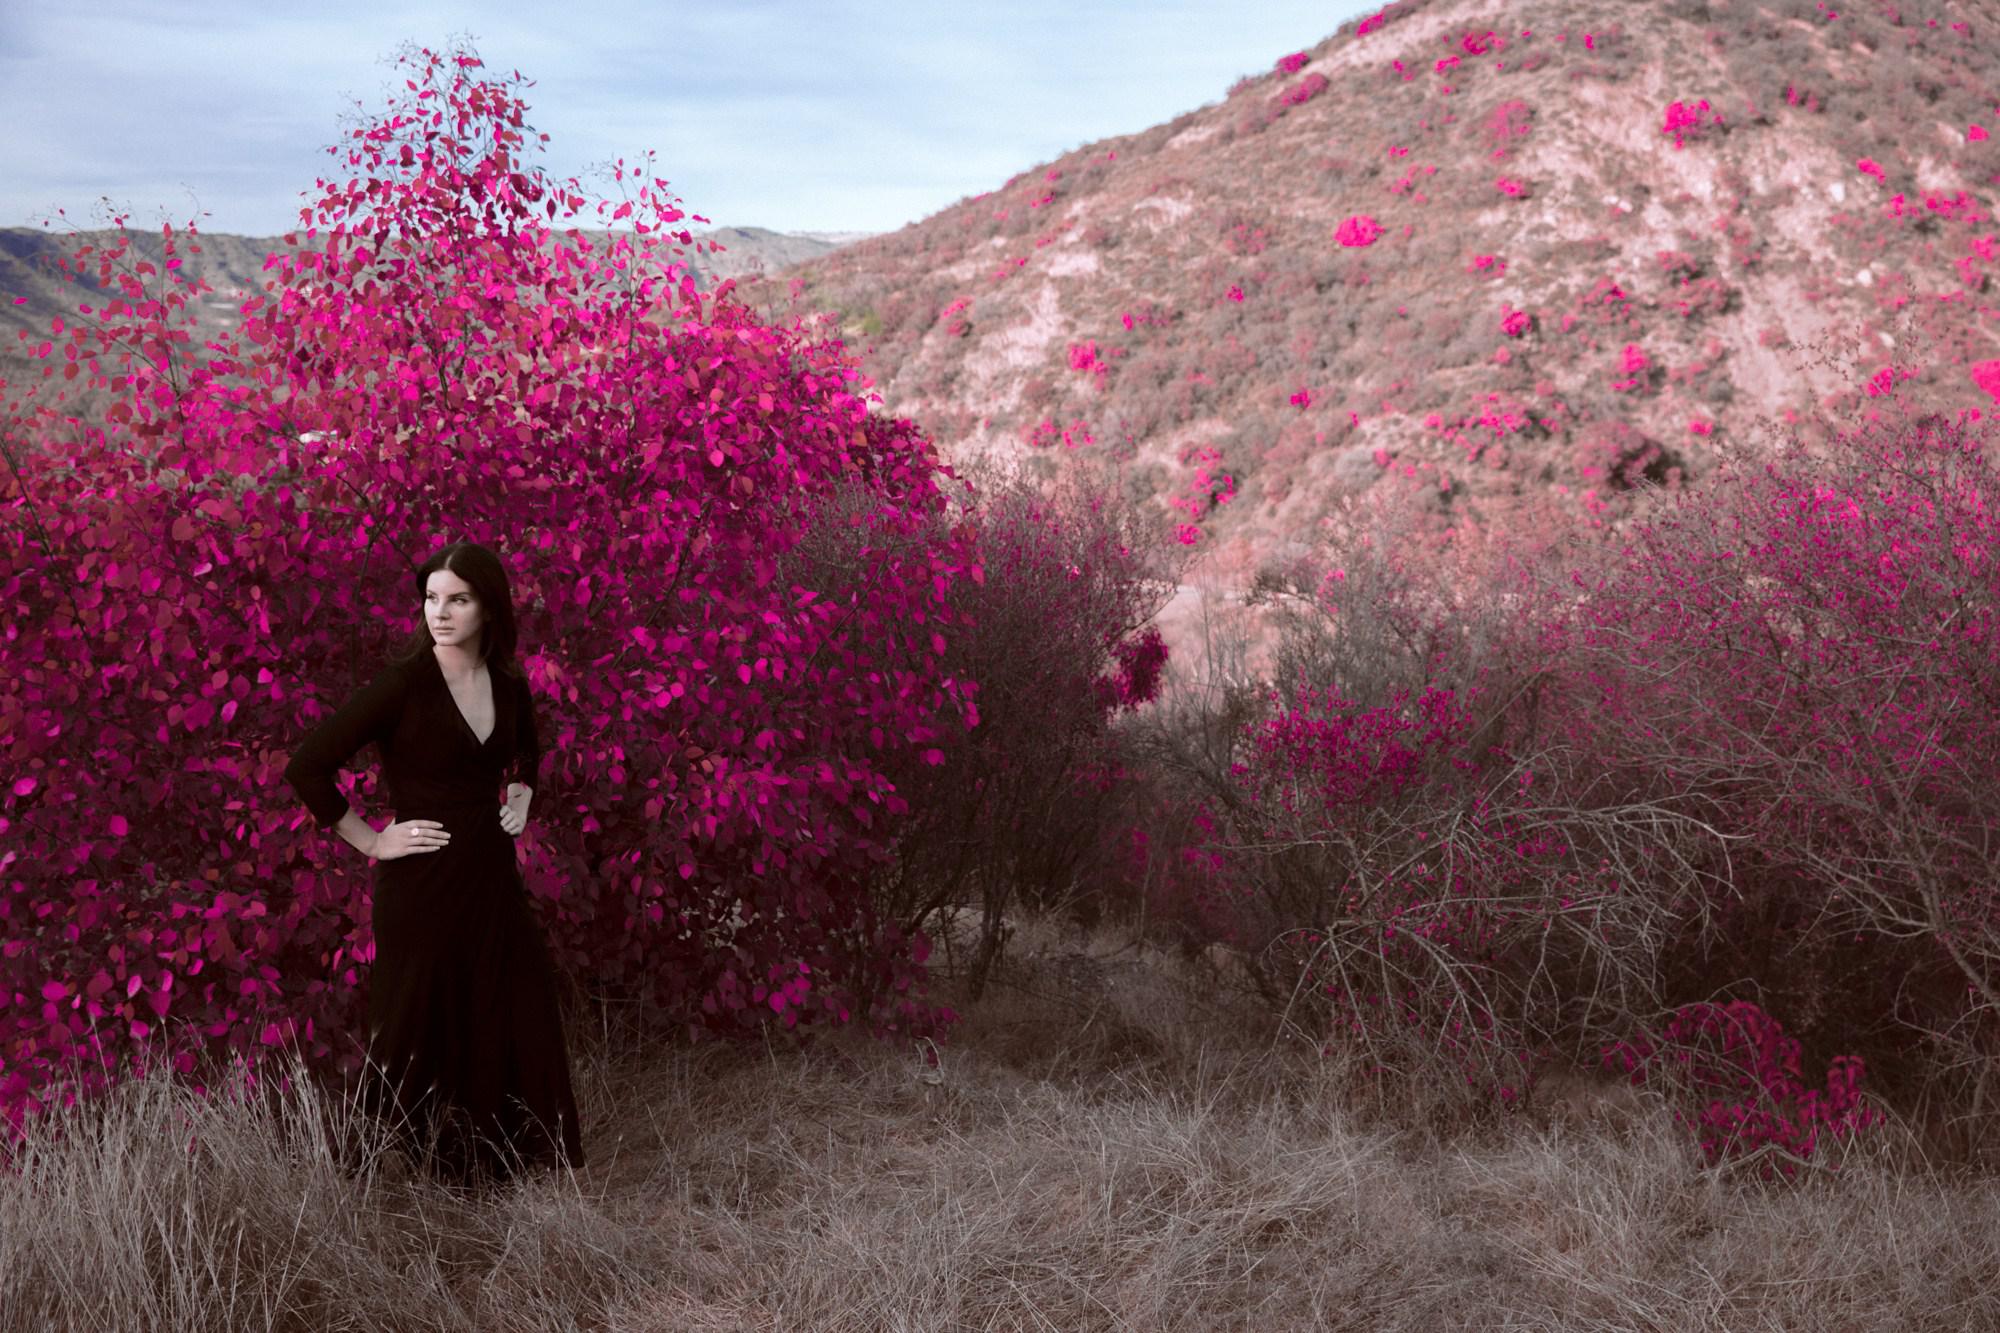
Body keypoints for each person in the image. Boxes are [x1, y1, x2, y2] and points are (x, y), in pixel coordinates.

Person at [283, 541, 585, 1188]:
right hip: (421, 885)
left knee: (510, 1009)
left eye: (458, 599)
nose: (439, 613)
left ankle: (478, 1168)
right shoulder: (403, 685)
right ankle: (357, 1183)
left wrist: (524, 792)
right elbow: (306, 765)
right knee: (408, 1028)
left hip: (491, 881)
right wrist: (370, 841)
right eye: (430, 598)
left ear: (489, 607)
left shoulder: (507, 681)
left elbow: (526, 748)